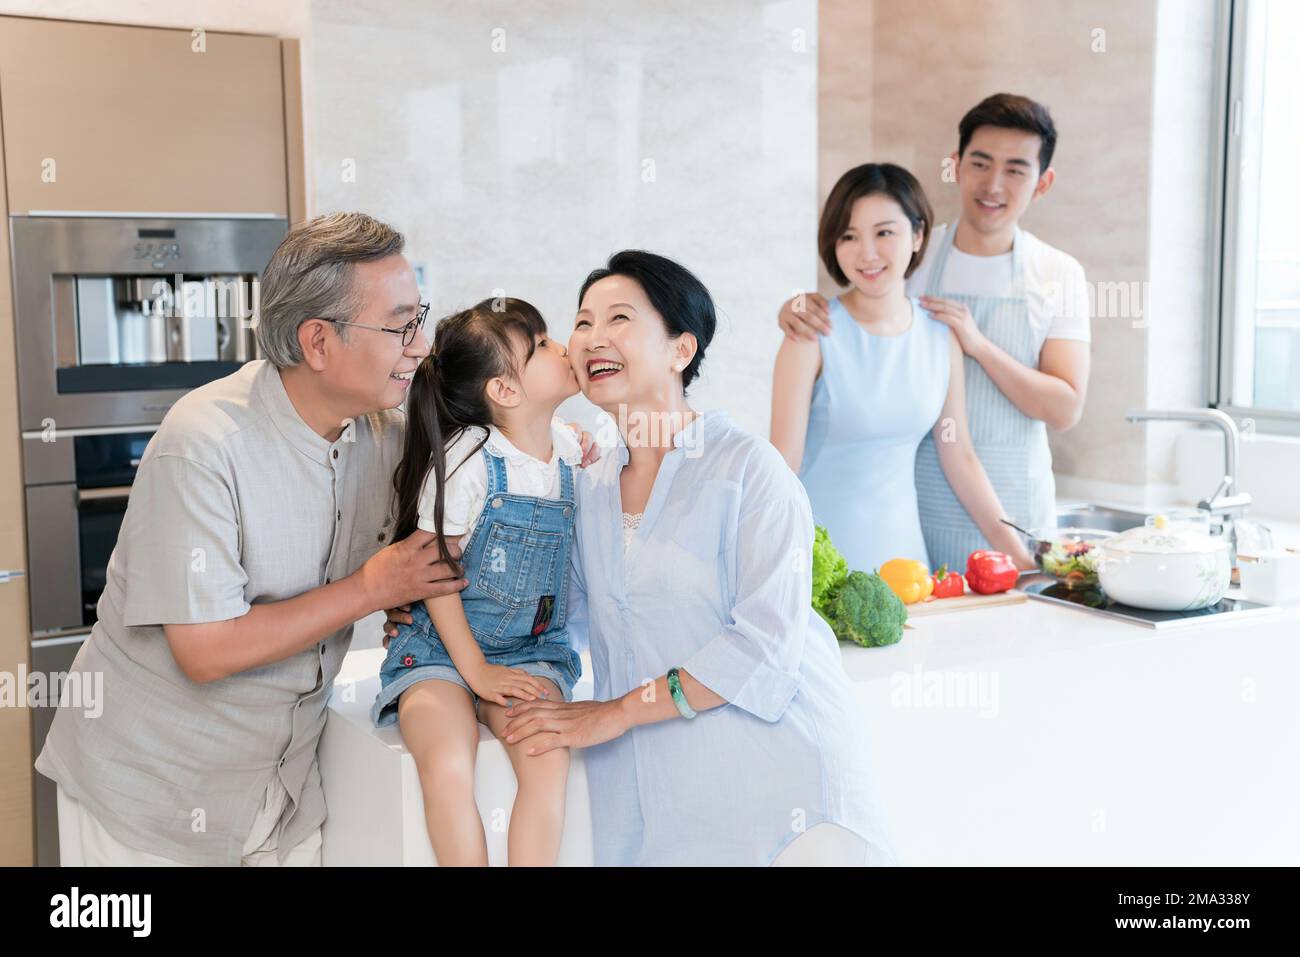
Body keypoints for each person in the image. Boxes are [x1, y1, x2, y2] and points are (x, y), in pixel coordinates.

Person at [35, 213, 469, 866]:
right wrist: (371, 588)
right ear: (318, 342)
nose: (420, 345)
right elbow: (205, 650)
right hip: (149, 803)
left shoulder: (378, 434)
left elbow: (418, 543)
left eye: (420, 316)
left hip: (283, 793)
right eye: (399, 324)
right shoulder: (203, 445)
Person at [493, 250, 901, 865]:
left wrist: (617, 713)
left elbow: (763, 644)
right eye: (582, 322)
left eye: (620, 318)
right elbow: (560, 621)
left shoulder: (747, 469)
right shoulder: (590, 486)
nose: (593, 337)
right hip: (662, 806)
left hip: (788, 797)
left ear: (681, 351)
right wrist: (442, 627)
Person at [778, 94, 1091, 569]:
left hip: (1007, 506)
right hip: (921, 511)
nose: (993, 184)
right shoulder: (915, 263)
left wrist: (978, 345)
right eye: (981, 163)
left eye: (1015, 169)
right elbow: (860, 303)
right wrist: (793, 308)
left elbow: (1064, 408)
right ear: (957, 166)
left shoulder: (1057, 273)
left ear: (1042, 182)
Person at [370, 298, 585, 866]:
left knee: (547, 758)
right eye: (541, 345)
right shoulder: (470, 458)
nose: (562, 346)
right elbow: (437, 575)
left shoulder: (570, 449)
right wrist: (477, 671)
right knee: (446, 762)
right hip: (442, 649)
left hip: (531, 650)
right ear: (505, 391)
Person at [770, 163, 1030, 572]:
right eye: (849, 236)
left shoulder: (940, 336)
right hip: (815, 561)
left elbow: (959, 457)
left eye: (884, 232)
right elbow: (781, 466)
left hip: (906, 561)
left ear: (918, 235)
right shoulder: (809, 334)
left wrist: (1019, 554)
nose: (867, 252)